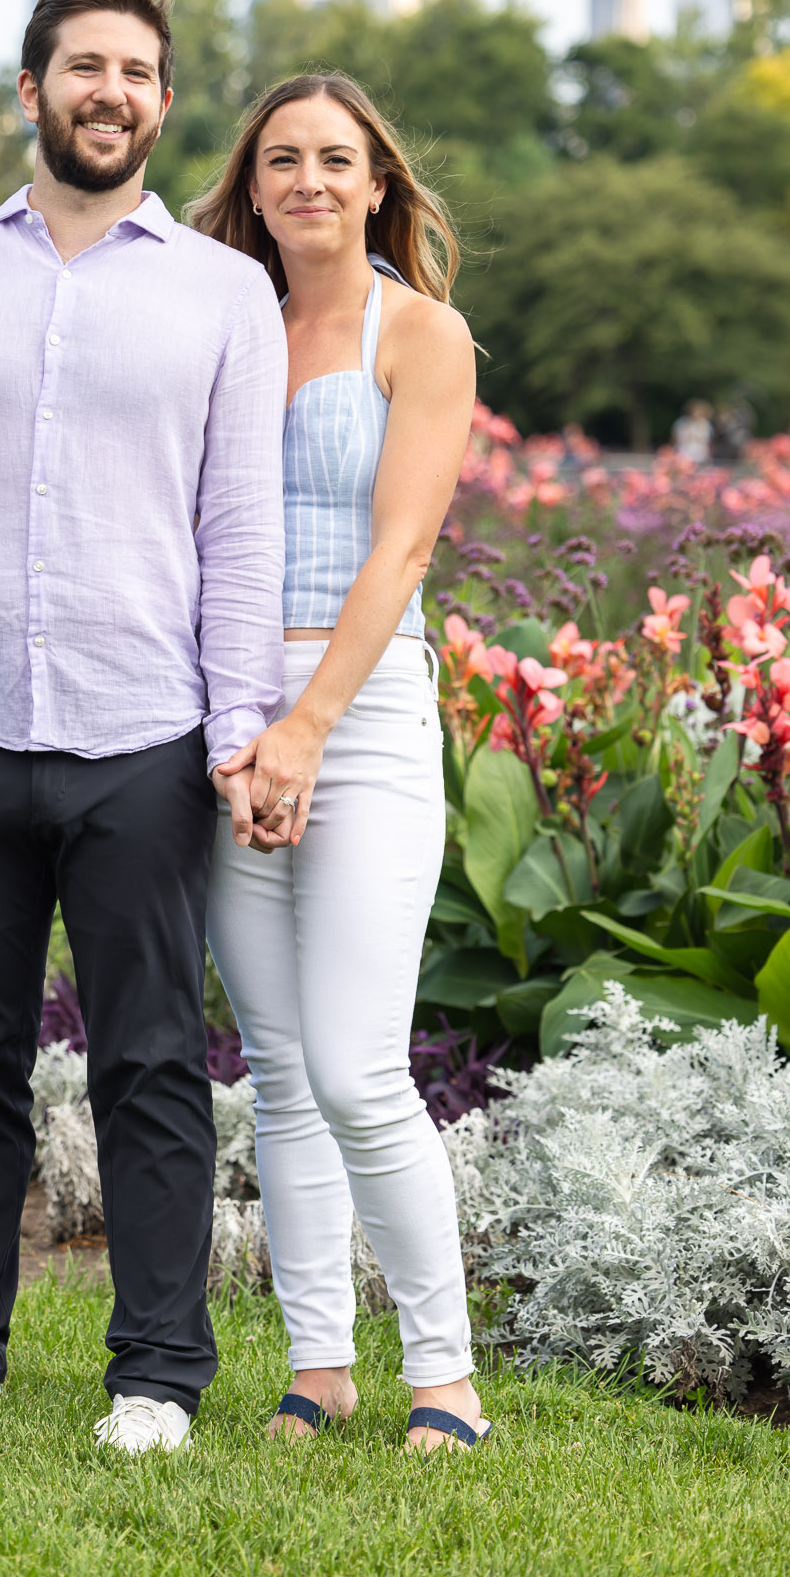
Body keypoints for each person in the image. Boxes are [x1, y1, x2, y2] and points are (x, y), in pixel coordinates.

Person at [0, 0, 287, 1454]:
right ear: (30, 93)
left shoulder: (224, 294)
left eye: (137, 72)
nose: (111, 91)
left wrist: (234, 728)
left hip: (141, 739)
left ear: (161, 104)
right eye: (82, 66)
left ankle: (155, 1375)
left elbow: (241, 532)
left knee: (150, 1060)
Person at [193, 72, 487, 1454]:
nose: (307, 180)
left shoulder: (418, 334)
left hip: (356, 722)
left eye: (335, 159)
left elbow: (402, 550)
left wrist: (305, 726)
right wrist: (237, 731)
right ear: (248, 186)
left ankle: (446, 1379)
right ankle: (318, 1369)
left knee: (361, 1066)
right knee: (279, 1061)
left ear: (378, 182)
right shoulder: (221, 325)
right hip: (230, 727)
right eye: (280, 160)